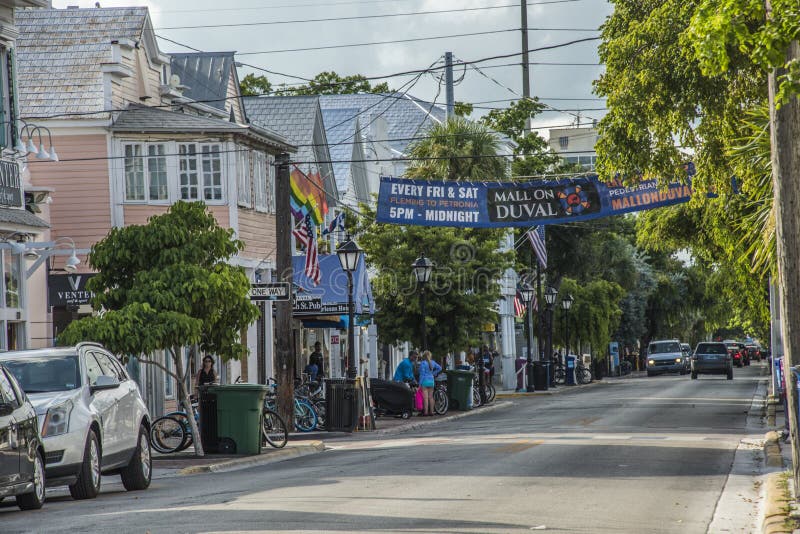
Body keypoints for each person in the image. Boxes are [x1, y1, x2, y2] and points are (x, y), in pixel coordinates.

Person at [418, 350, 442, 416]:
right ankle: (431, 412)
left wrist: (419, 384)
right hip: (431, 381)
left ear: (423, 356)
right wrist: (433, 373)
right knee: (431, 397)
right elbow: (440, 368)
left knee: (425, 398)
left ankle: (426, 412)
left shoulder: (423, 363)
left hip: (425, 381)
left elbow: (422, 375)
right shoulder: (433, 362)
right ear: (430, 356)